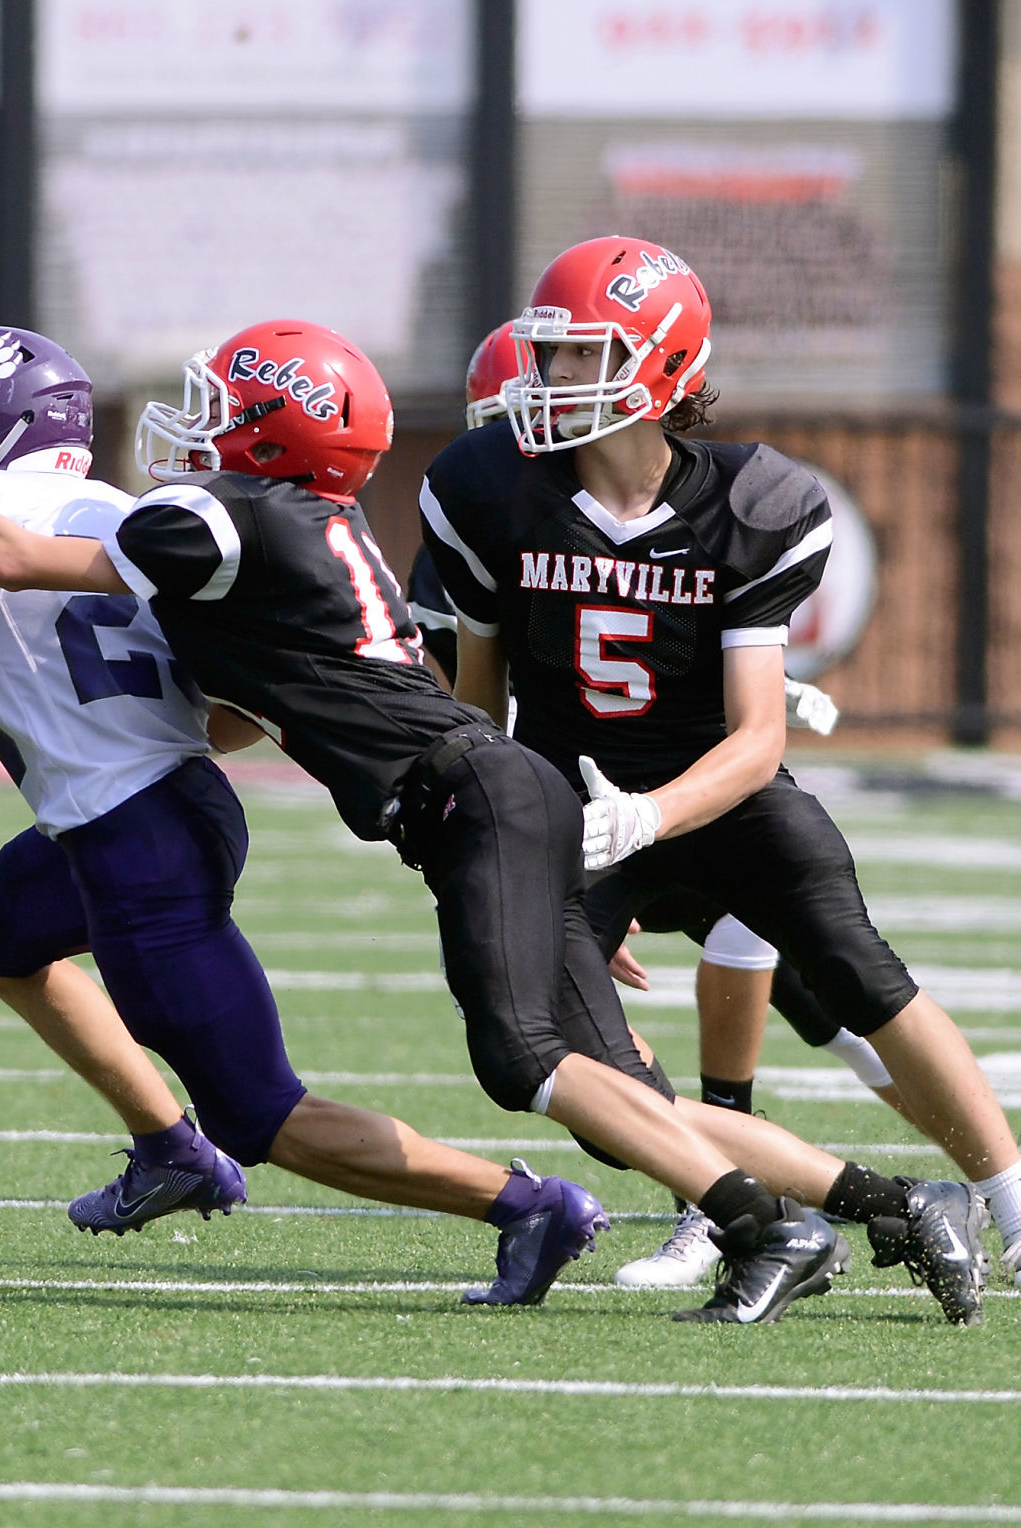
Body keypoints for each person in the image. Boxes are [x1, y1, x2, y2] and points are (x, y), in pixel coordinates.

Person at [0, 317, 987, 1326]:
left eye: (223, 404)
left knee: (526, 1063)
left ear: (272, 430)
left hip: (467, 794)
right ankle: (885, 1204)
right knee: (600, 1077)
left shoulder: (215, 521)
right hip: (479, 790)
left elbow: (3, 554)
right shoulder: (293, 527)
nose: (193, 427)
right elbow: (238, 706)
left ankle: (753, 1225)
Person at [0, 325, 608, 1300]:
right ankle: (166, 1146)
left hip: (131, 843)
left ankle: (523, 1205)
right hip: (182, 804)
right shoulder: (114, 510)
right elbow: (223, 720)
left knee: (262, 1114)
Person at [417, 235, 1016, 1309]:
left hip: (710, 794)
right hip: (565, 802)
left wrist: (642, 821)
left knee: (852, 969)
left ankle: (1011, 1199)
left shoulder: (751, 502)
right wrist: (510, 840)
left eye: (577, 356)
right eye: (548, 354)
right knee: (585, 1076)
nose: (546, 380)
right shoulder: (484, 490)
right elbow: (477, 698)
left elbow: (754, 740)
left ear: (659, 366)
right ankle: (785, 1208)